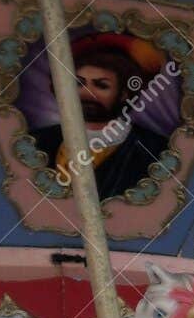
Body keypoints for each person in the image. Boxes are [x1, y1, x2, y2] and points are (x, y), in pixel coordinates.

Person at [30, 33, 170, 201]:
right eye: (78, 83)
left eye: (101, 85)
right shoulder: (36, 141)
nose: (87, 93)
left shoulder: (155, 150)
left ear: (124, 94)